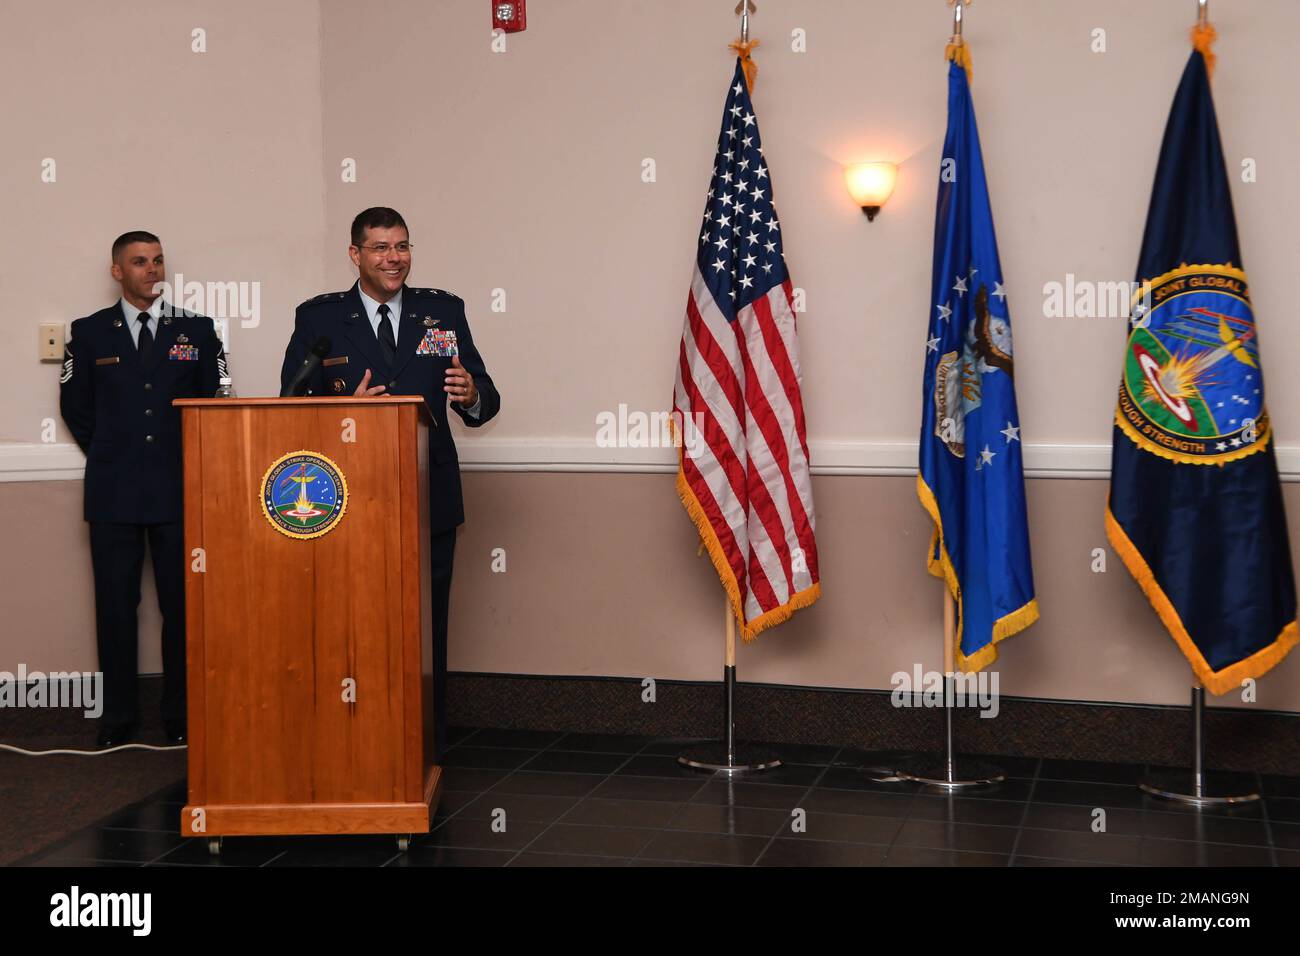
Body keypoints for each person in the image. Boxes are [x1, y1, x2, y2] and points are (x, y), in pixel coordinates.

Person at [279, 207, 499, 758]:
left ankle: (428, 738)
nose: (393, 258)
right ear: (355, 255)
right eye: (379, 248)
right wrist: (339, 410)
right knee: (352, 618)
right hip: (347, 498)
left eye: (401, 246)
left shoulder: (442, 311)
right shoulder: (319, 319)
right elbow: (288, 406)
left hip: (430, 492)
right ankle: (354, 730)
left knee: (429, 621)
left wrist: (471, 396)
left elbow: (485, 395)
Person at [60, 231, 227, 747]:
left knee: (182, 608)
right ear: (118, 271)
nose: (151, 270)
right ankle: (118, 719)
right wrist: (117, 453)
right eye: (139, 262)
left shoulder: (196, 330)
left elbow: (213, 401)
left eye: (157, 261)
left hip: (180, 489)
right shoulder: (89, 334)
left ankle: (180, 715)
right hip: (113, 491)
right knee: (115, 606)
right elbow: (76, 409)